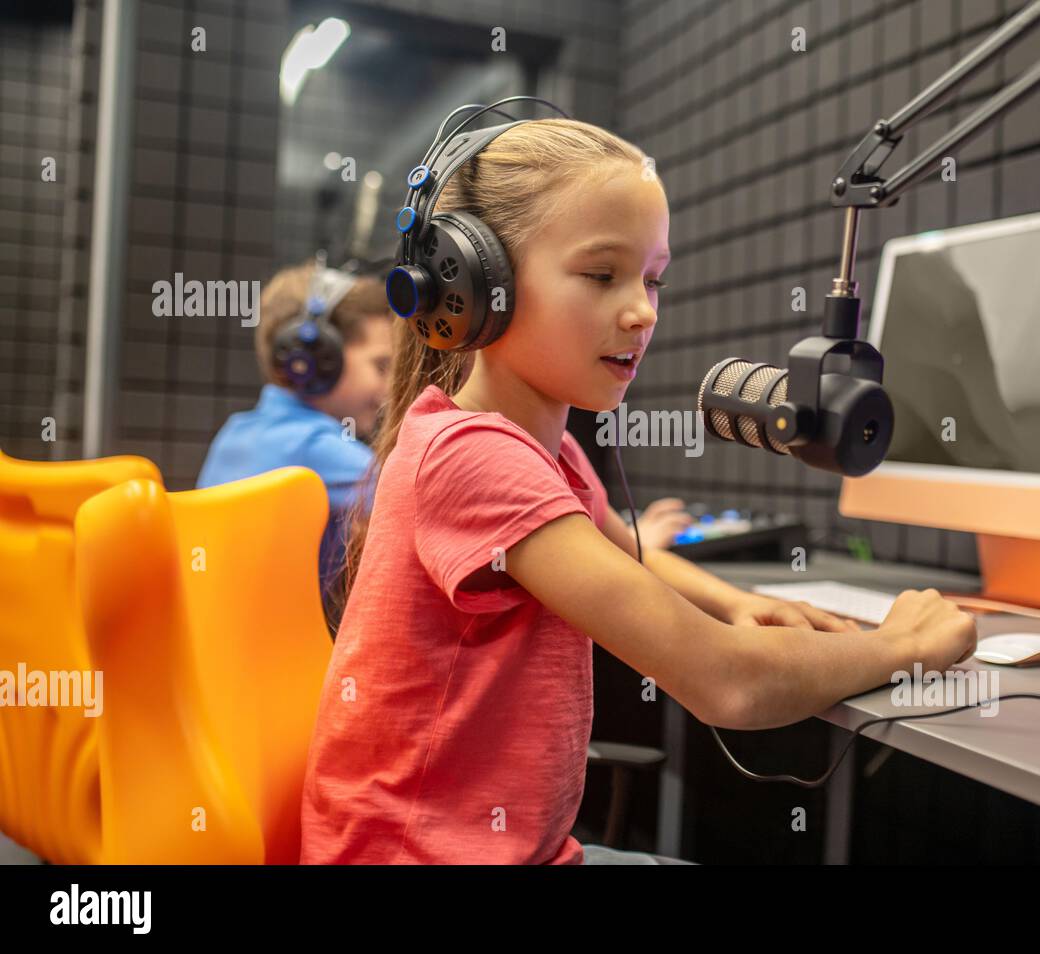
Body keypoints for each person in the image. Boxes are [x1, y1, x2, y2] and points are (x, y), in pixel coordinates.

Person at [298, 118, 976, 866]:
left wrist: (731, 602)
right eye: (601, 275)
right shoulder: (474, 459)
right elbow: (727, 685)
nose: (642, 311)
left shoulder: (540, 448)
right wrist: (903, 648)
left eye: (653, 280)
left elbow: (627, 550)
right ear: (471, 281)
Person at [196, 260, 394, 620]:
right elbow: (424, 507)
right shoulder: (316, 448)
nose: (388, 388)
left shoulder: (233, 434)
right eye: (380, 367)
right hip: (282, 663)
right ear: (317, 360)